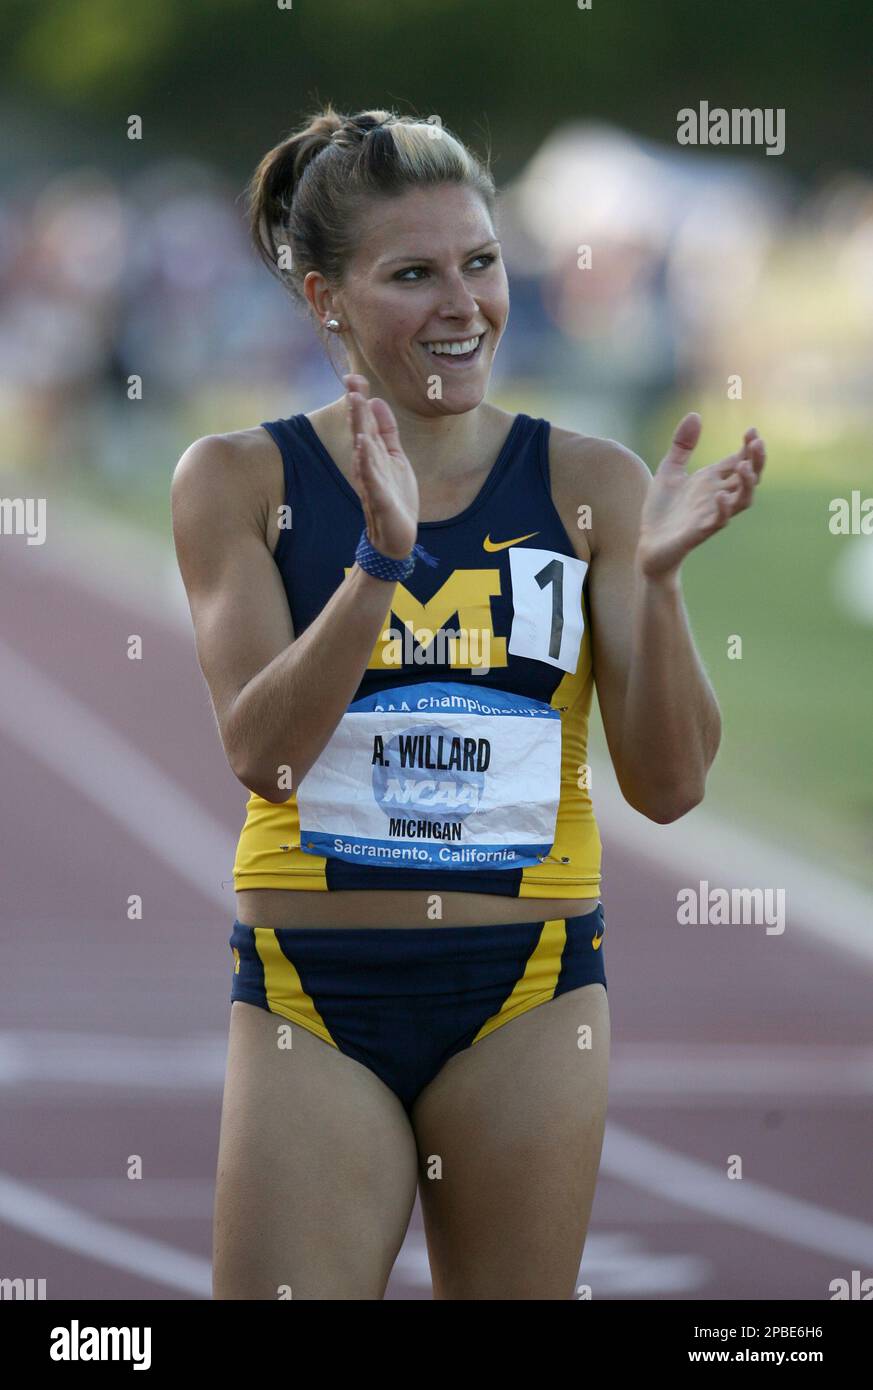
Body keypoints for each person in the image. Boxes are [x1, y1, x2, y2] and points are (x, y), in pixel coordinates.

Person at [171, 105, 766, 1301]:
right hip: (311, 997)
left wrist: (654, 585)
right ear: (324, 297)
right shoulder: (242, 478)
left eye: (482, 264)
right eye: (413, 274)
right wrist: (378, 567)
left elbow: (670, 787)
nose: (465, 304)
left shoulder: (589, 479)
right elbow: (267, 757)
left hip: (531, 987)